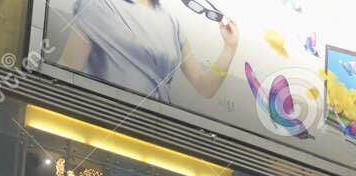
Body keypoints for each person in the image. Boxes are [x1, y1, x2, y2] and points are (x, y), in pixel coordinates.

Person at [57, 0, 239, 104]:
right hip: (103, 117)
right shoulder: (99, 5)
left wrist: (229, 48)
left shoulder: (172, 24)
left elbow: (205, 87)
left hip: (155, 130)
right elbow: (67, 69)